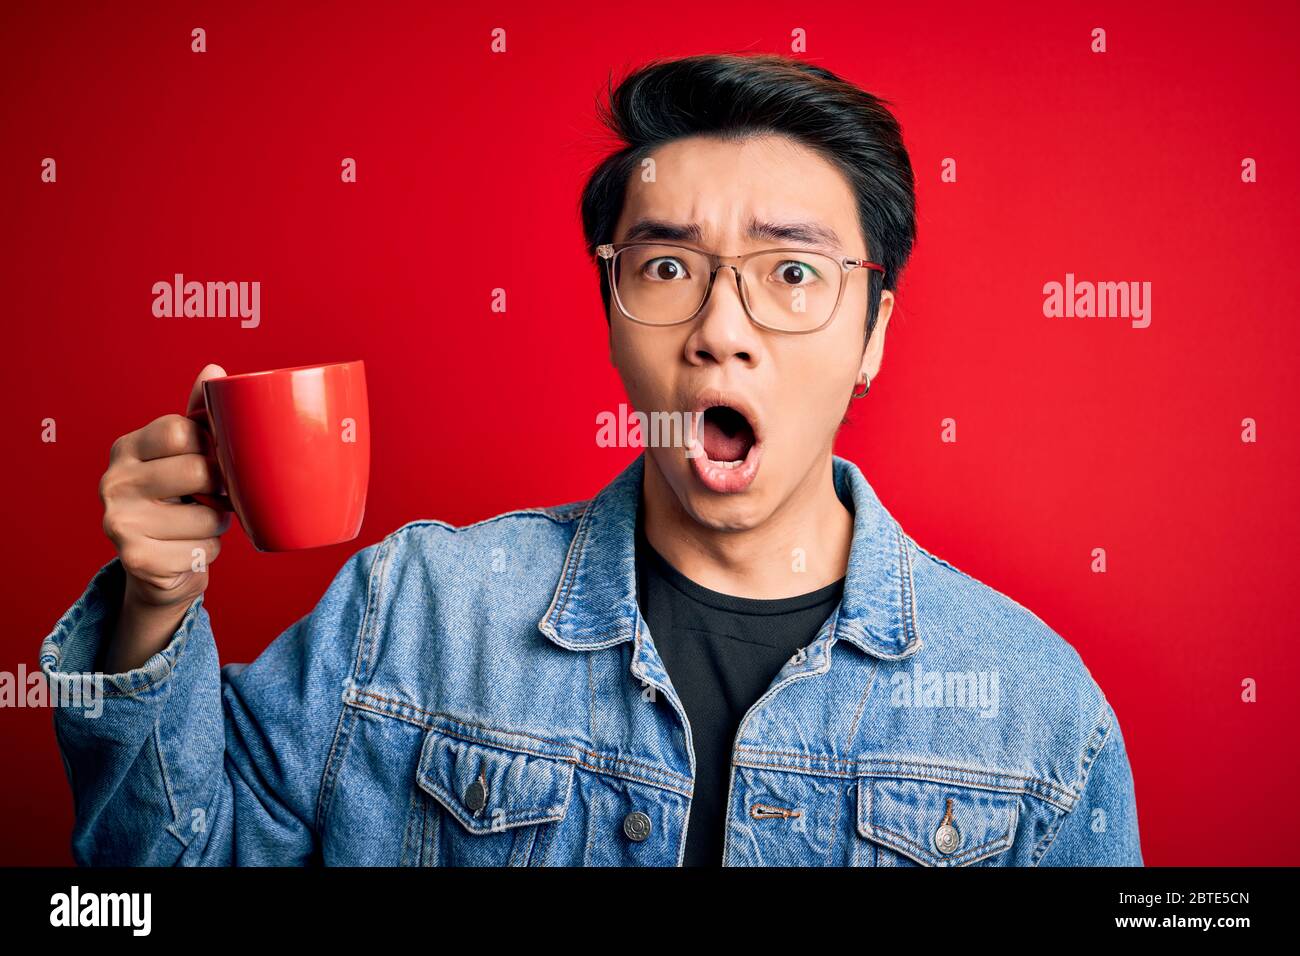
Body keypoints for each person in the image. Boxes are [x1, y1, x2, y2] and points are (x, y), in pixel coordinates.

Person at [39, 52, 1141, 866]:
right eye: (665, 267)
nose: (721, 326)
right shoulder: (412, 614)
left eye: (793, 274)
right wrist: (152, 609)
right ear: (613, 314)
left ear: (875, 335)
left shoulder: (1037, 712)